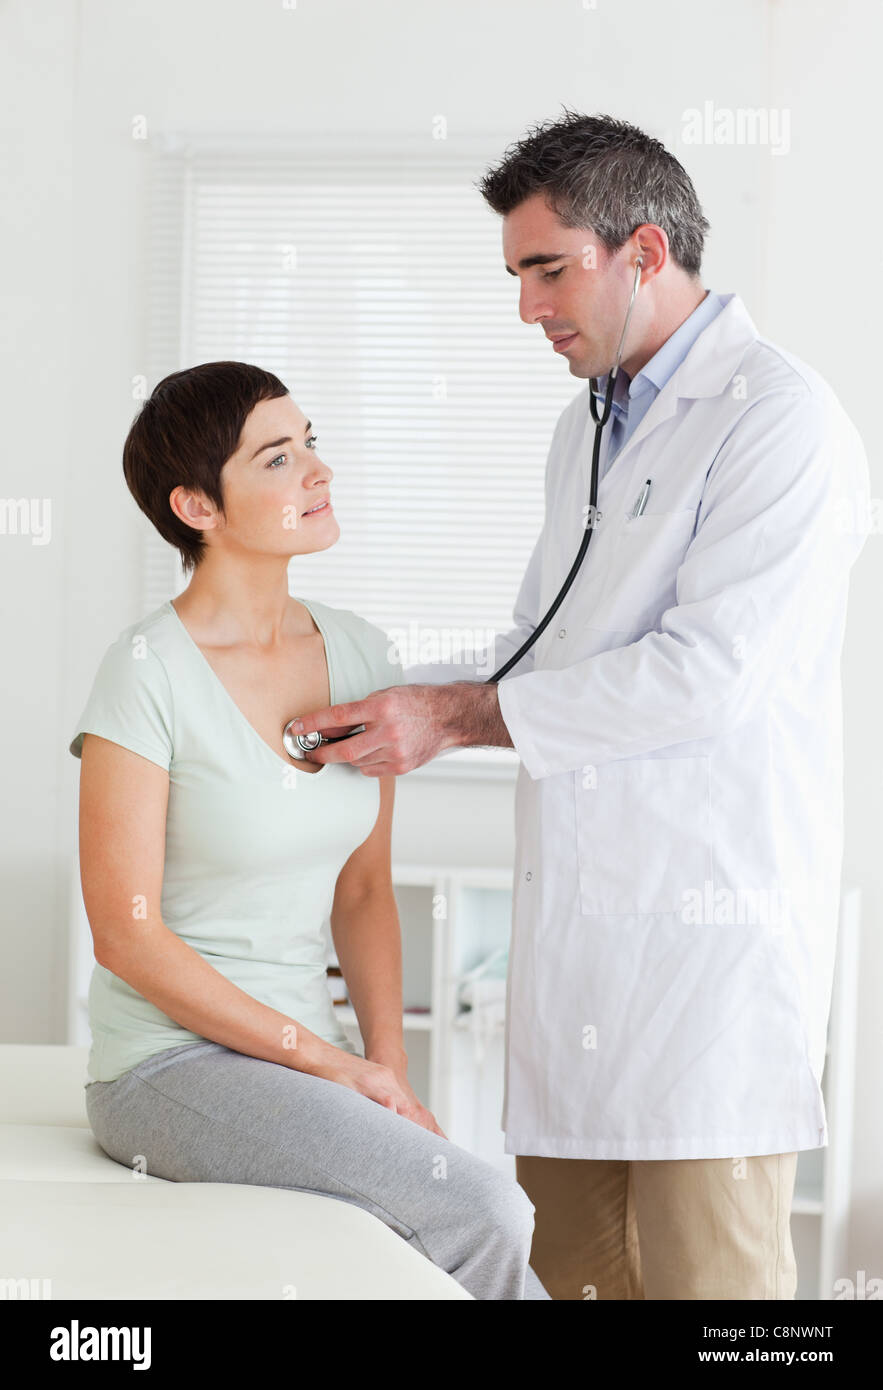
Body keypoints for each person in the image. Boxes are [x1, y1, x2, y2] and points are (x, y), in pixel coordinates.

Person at [289, 112, 871, 1299]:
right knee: (572, 1278)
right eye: (516, 275)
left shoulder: (779, 417)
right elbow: (545, 645)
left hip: (707, 957)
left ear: (643, 252)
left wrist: (452, 717)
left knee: (714, 1293)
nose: (526, 308)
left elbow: (712, 673)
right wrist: (396, 702)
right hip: (584, 964)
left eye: (548, 269)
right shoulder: (585, 428)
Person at [68, 360, 550, 1301]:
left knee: (456, 1225)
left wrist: (387, 1066)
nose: (319, 472)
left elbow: (364, 889)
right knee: (487, 1211)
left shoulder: (360, 650)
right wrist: (329, 1064)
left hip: (309, 1058)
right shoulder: (144, 674)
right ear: (196, 506)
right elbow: (125, 934)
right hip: (170, 1065)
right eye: (279, 458)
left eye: (312, 444)